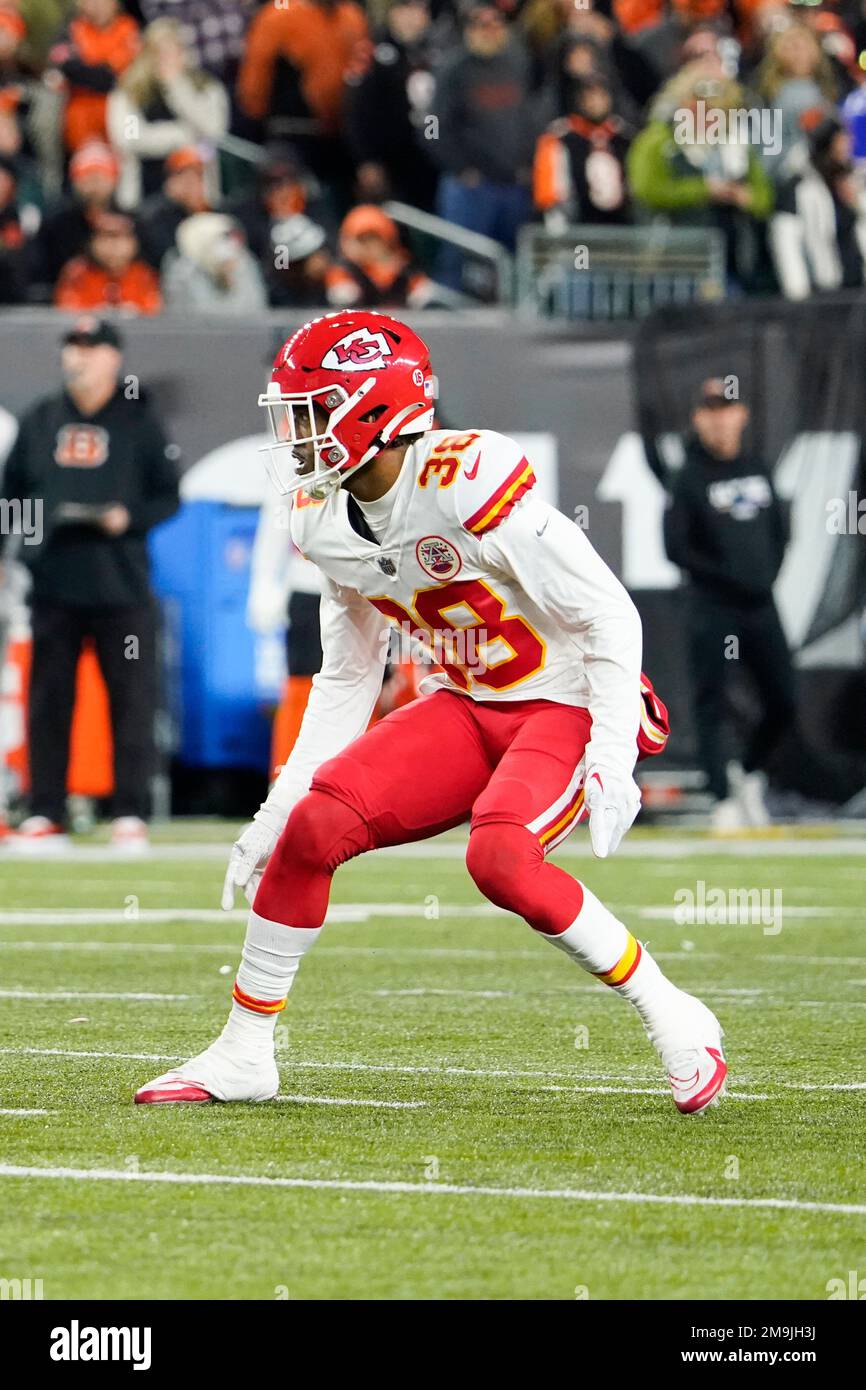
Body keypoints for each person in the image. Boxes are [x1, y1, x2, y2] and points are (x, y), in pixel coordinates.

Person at [135, 310, 726, 1116]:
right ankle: (244, 1053)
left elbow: (609, 616)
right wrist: (277, 807)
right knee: (311, 830)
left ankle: (673, 1011)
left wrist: (611, 752)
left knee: (501, 859)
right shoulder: (320, 516)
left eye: (309, 413)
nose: (295, 435)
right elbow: (345, 678)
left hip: (564, 699)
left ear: (372, 410)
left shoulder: (466, 476)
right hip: (467, 703)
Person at [0, 316, 180, 850]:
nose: (78, 357)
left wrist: (129, 518)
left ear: (113, 358)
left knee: (131, 699)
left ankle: (129, 811)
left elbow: (170, 496)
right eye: (72, 347)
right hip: (54, 583)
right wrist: (27, 543)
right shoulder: (40, 419)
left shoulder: (138, 422)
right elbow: (10, 500)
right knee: (49, 699)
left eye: (90, 347)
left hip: (120, 588)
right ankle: (45, 810)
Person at [662, 379, 792, 830]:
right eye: (711, 410)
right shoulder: (689, 477)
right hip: (711, 606)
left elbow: (780, 528)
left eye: (728, 408)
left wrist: (764, 576)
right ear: (699, 418)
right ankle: (721, 797)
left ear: (743, 414)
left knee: (784, 700)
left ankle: (750, 773)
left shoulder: (757, 465)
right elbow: (675, 547)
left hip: (760, 604)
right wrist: (726, 579)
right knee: (711, 700)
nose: (720, 418)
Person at [106, 17, 229, 210]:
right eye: (158, 52)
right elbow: (129, 138)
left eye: (172, 50)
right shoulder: (131, 92)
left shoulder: (205, 87)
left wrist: (177, 87)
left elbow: (213, 131)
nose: (165, 58)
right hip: (146, 189)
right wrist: (181, 136)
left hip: (197, 190)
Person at [770, 112, 866, 300]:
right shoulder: (799, 185)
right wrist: (798, 296)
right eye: (842, 140)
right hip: (823, 291)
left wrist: (857, 201)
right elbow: (786, 244)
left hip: (858, 285)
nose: (848, 146)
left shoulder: (853, 180)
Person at [54, 209, 162, 314]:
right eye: (105, 237)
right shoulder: (77, 273)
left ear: (134, 242)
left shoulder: (143, 275)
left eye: (119, 237)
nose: (113, 246)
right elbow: (68, 312)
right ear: (92, 242)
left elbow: (153, 313)